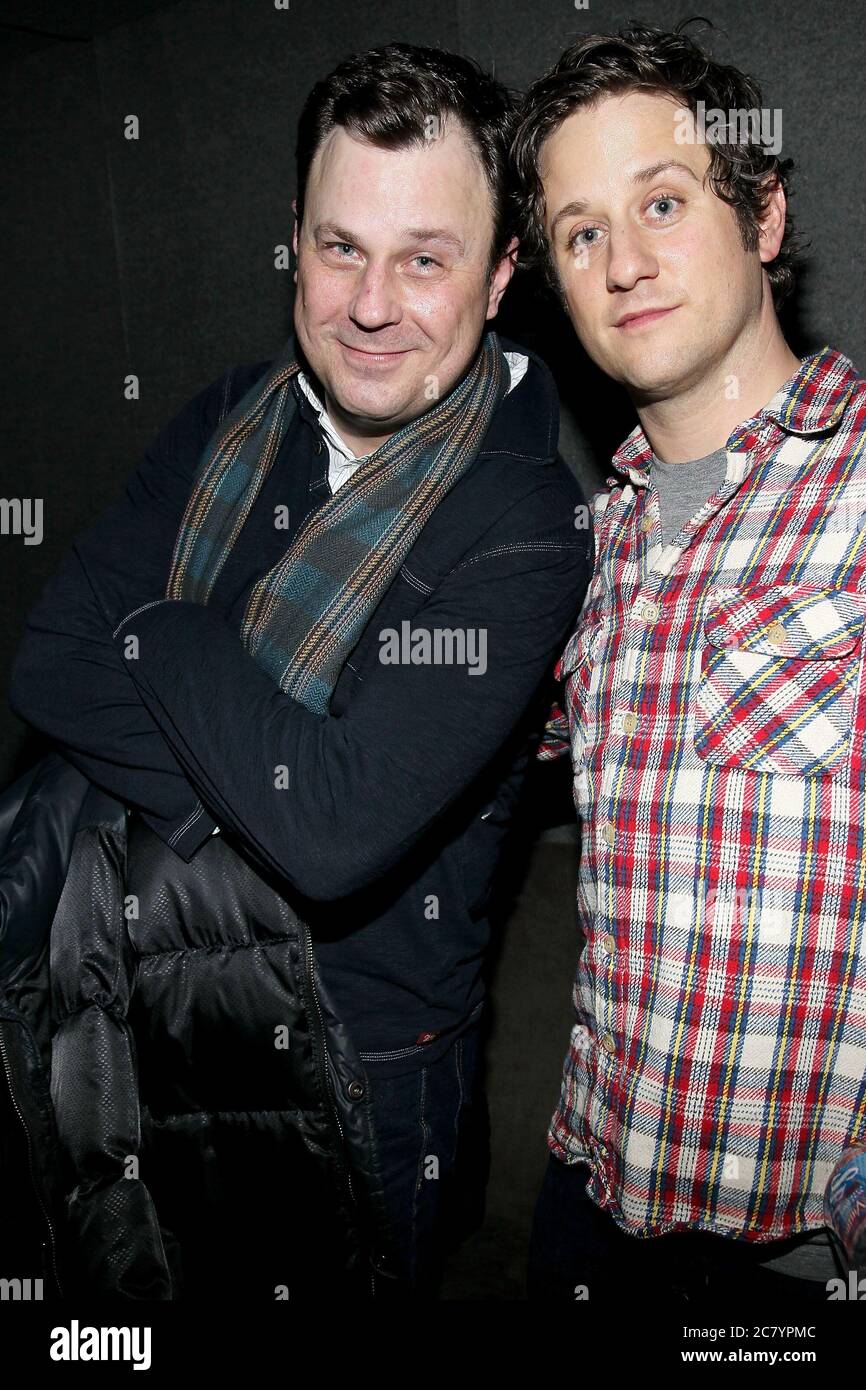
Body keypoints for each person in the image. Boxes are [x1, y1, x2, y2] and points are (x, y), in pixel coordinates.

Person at [8, 42, 590, 1297]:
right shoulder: (231, 411)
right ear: (295, 241)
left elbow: (329, 832)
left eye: (424, 259)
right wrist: (261, 765)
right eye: (339, 248)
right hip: (137, 1018)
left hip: (363, 1072)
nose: (370, 304)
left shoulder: (529, 521)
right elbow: (51, 663)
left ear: (498, 279)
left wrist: (165, 633)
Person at [511, 20, 866, 1300]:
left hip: (796, 1255)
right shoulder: (584, 543)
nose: (623, 262)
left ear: (759, 215)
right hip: (586, 1197)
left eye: (661, 201)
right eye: (579, 231)